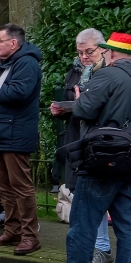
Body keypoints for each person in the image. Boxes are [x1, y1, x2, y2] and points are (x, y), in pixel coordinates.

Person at [44, 32, 131, 263]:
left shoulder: (107, 76)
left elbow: (86, 110)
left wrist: (80, 99)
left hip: (103, 157)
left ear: (111, 53)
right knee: (127, 222)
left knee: (84, 220)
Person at [0, 23, 43, 255]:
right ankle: (12, 230)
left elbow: (18, 93)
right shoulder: (6, 64)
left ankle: (29, 236)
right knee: (4, 186)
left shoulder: (26, 63)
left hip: (14, 134)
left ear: (13, 43)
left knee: (21, 187)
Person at [50, 29, 105, 193]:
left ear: (102, 49)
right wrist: (61, 111)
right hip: (75, 135)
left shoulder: (107, 72)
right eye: (80, 53)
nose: (83, 57)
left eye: (89, 52)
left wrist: (81, 103)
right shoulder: (74, 71)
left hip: (97, 137)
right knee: (77, 188)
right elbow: (70, 99)